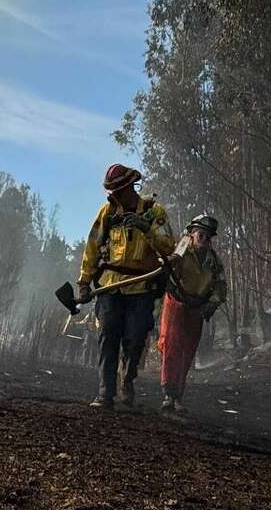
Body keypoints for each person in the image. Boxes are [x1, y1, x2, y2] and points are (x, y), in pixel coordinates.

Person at [77, 163, 176, 409]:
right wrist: (84, 282)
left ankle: (127, 379)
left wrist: (146, 228)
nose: (115, 196)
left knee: (135, 340)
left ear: (131, 187)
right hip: (110, 287)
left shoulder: (155, 213)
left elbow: (169, 248)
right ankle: (105, 393)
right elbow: (91, 247)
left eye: (119, 191)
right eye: (112, 192)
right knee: (108, 337)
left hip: (141, 287)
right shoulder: (107, 213)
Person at [158, 214, 228, 416]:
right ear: (192, 233)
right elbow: (168, 268)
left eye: (208, 237)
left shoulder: (213, 260)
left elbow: (221, 286)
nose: (205, 240)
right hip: (176, 304)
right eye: (201, 235)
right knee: (171, 348)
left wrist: (211, 305)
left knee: (187, 351)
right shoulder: (182, 249)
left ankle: (178, 396)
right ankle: (168, 395)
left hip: (197, 308)